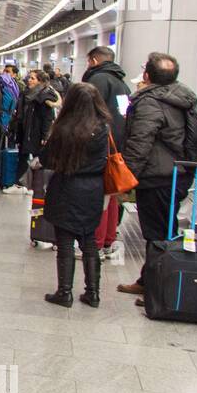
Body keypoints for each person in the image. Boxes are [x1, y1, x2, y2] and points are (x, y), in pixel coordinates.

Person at [117, 52, 197, 301]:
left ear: (147, 75)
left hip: (158, 177)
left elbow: (140, 143)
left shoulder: (151, 102)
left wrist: (126, 178)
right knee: (164, 230)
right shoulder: (182, 97)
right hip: (177, 174)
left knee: (157, 234)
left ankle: (157, 290)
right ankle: (150, 280)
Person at [40, 83, 111, 308]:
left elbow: (46, 159)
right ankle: (93, 293)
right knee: (89, 241)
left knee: (65, 242)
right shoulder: (103, 129)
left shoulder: (63, 128)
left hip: (66, 187)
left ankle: (65, 292)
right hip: (92, 189)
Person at [82, 46, 130, 260]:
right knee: (110, 195)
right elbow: (125, 115)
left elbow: (86, 113)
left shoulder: (98, 80)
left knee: (97, 196)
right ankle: (108, 239)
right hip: (117, 145)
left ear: (93, 60)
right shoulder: (122, 84)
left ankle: (96, 244)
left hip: (100, 145)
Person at [7, 69, 61, 193]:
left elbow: (47, 118)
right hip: (26, 131)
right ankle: (22, 184)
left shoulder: (44, 97)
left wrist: (45, 136)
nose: (29, 80)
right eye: (29, 77)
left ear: (40, 81)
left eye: (33, 78)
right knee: (24, 156)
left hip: (35, 133)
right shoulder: (27, 94)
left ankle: (36, 186)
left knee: (39, 159)